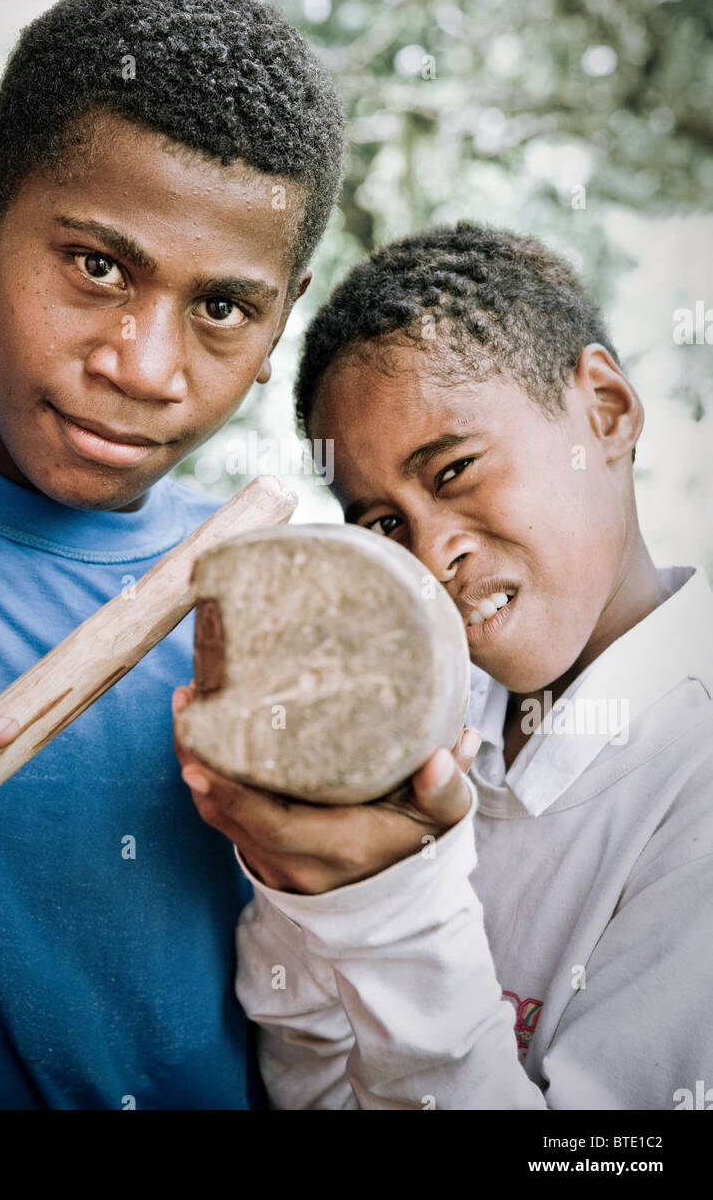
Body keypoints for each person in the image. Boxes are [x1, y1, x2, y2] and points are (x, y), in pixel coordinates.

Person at [0, 0, 344, 1109]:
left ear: (278, 322)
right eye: (99, 265)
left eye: (221, 307)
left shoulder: (283, 616)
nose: (143, 366)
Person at [175, 221, 713, 1109]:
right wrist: (301, 884)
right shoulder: (416, 726)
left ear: (606, 412)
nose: (432, 554)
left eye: (455, 469)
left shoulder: (689, 779)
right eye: (382, 523)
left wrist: (393, 910)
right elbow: (309, 1091)